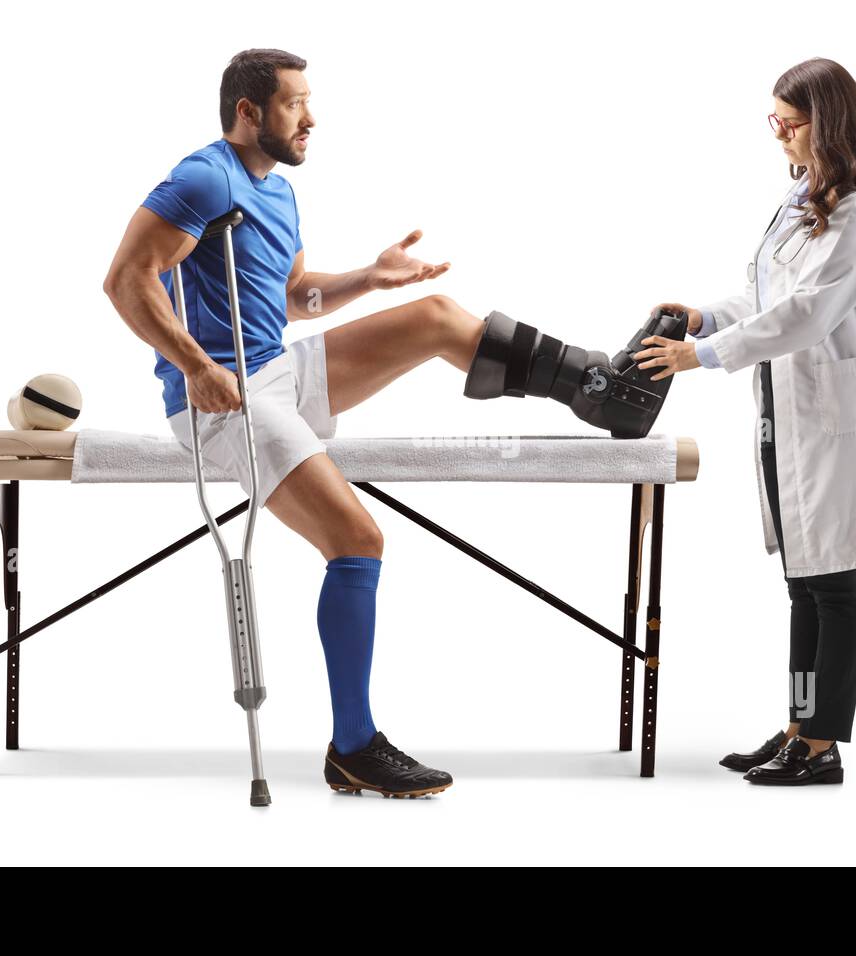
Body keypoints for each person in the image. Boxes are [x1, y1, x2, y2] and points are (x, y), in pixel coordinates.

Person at [103, 49, 673, 798]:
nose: (311, 119)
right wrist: (195, 367)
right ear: (249, 112)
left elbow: (293, 297)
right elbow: (126, 279)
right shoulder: (205, 177)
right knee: (358, 539)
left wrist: (367, 279)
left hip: (274, 369)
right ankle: (354, 745)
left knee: (433, 315)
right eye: (293, 105)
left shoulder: (275, 192)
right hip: (223, 399)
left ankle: (599, 389)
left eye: (308, 102)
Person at [633, 57, 856, 785]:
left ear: (828, 122)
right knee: (802, 587)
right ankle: (797, 727)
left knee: (835, 589)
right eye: (772, 119)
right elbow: (767, 299)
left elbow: (808, 315)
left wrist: (705, 354)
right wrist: (707, 316)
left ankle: (823, 746)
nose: (777, 132)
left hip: (831, 417)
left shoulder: (854, 214)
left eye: (789, 120)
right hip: (786, 413)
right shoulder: (802, 200)